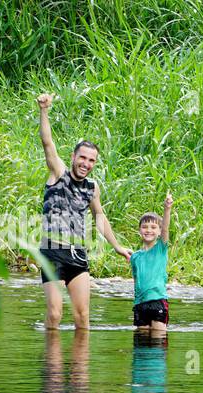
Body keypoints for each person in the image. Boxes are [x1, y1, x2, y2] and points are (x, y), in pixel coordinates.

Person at [36, 92, 131, 330]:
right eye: (82, 158)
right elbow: (47, 143)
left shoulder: (92, 187)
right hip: (52, 253)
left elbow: (99, 216)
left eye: (91, 161)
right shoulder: (59, 173)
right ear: (73, 157)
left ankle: (80, 367)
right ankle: (52, 364)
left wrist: (117, 246)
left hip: (78, 255)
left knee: (82, 318)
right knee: (56, 315)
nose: (86, 164)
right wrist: (44, 110)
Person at [131, 193, 172, 336]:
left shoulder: (160, 249)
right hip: (140, 304)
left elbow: (166, 228)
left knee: (158, 338)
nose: (148, 230)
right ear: (139, 230)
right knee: (141, 339)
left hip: (157, 300)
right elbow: (136, 280)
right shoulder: (135, 256)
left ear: (159, 232)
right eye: (145, 227)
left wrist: (167, 209)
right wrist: (136, 302)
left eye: (153, 227)